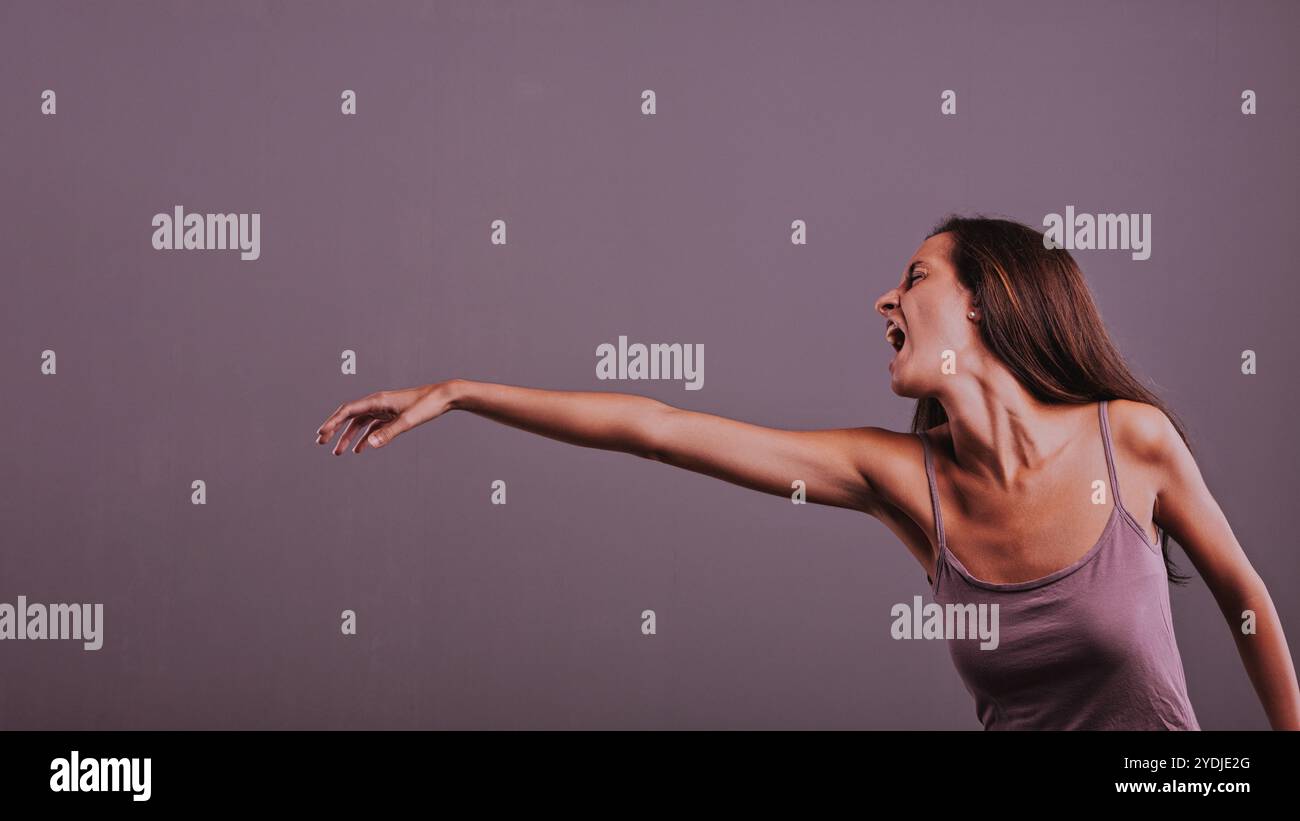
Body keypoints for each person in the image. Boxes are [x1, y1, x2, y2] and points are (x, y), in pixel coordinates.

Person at [314, 215, 1300, 730]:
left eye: (914, 277)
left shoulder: (1129, 441)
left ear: (987, 302)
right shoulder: (897, 478)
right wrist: (462, 390)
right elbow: (657, 425)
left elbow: (1245, 596)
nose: (884, 295)